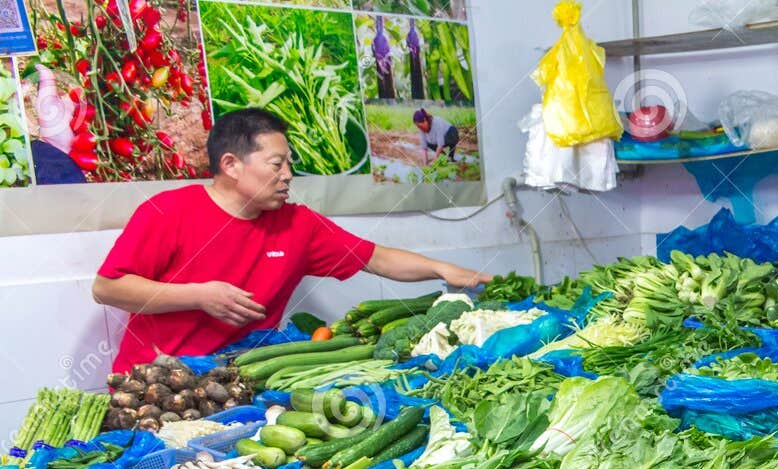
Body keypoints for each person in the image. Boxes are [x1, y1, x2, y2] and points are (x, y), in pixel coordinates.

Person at [92, 108, 489, 372]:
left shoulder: (298, 224)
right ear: (231, 165)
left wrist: (444, 269)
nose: (287, 176)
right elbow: (108, 287)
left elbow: (377, 259)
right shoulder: (169, 211)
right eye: (276, 164)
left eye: (289, 165)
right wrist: (199, 295)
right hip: (155, 379)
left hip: (243, 378)